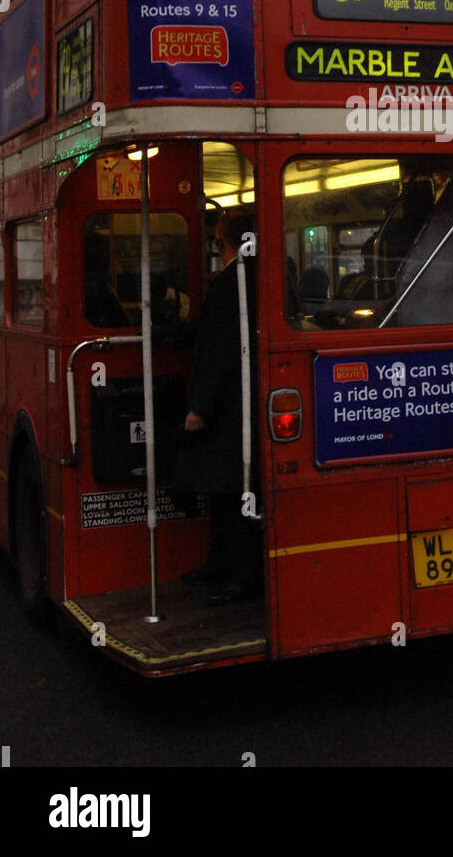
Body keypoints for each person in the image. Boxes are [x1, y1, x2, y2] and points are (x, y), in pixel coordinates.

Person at [174, 210, 262, 607]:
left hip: (230, 411)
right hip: (249, 405)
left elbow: (219, 352)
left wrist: (199, 407)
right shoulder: (264, 276)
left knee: (232, 494)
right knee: (236, 493)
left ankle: (238, 575)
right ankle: (222, 565)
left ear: (221, 243)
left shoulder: (231, 284)